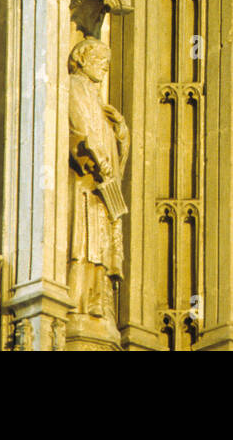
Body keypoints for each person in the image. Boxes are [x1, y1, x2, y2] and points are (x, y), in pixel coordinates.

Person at [67, 37, 129, 328]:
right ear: (82, 59)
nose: (104, 67)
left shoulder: (95, 99)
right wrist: (98, 159)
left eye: (107, 63)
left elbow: (108, 146)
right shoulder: (74, 87)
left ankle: (96, 305)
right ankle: (78, 303)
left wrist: (119, 133)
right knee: (83, 244)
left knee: (99, 247)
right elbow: (79, 129)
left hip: (100, 190)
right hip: (85, 185)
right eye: (100, 60)